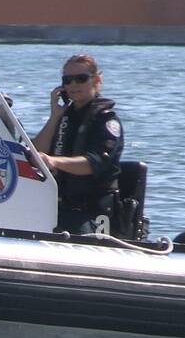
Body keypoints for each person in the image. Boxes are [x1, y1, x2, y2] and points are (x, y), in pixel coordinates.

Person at [33, 54, 124, 234]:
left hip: (94, 213)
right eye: (67, 80)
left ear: (96, 79)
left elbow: (93, 164)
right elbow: (38, 151)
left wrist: (54, 162)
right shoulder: (64, 118)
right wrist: (54, 117)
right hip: (59, 207)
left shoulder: (106, 121)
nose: (73, 85)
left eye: (80, 79)